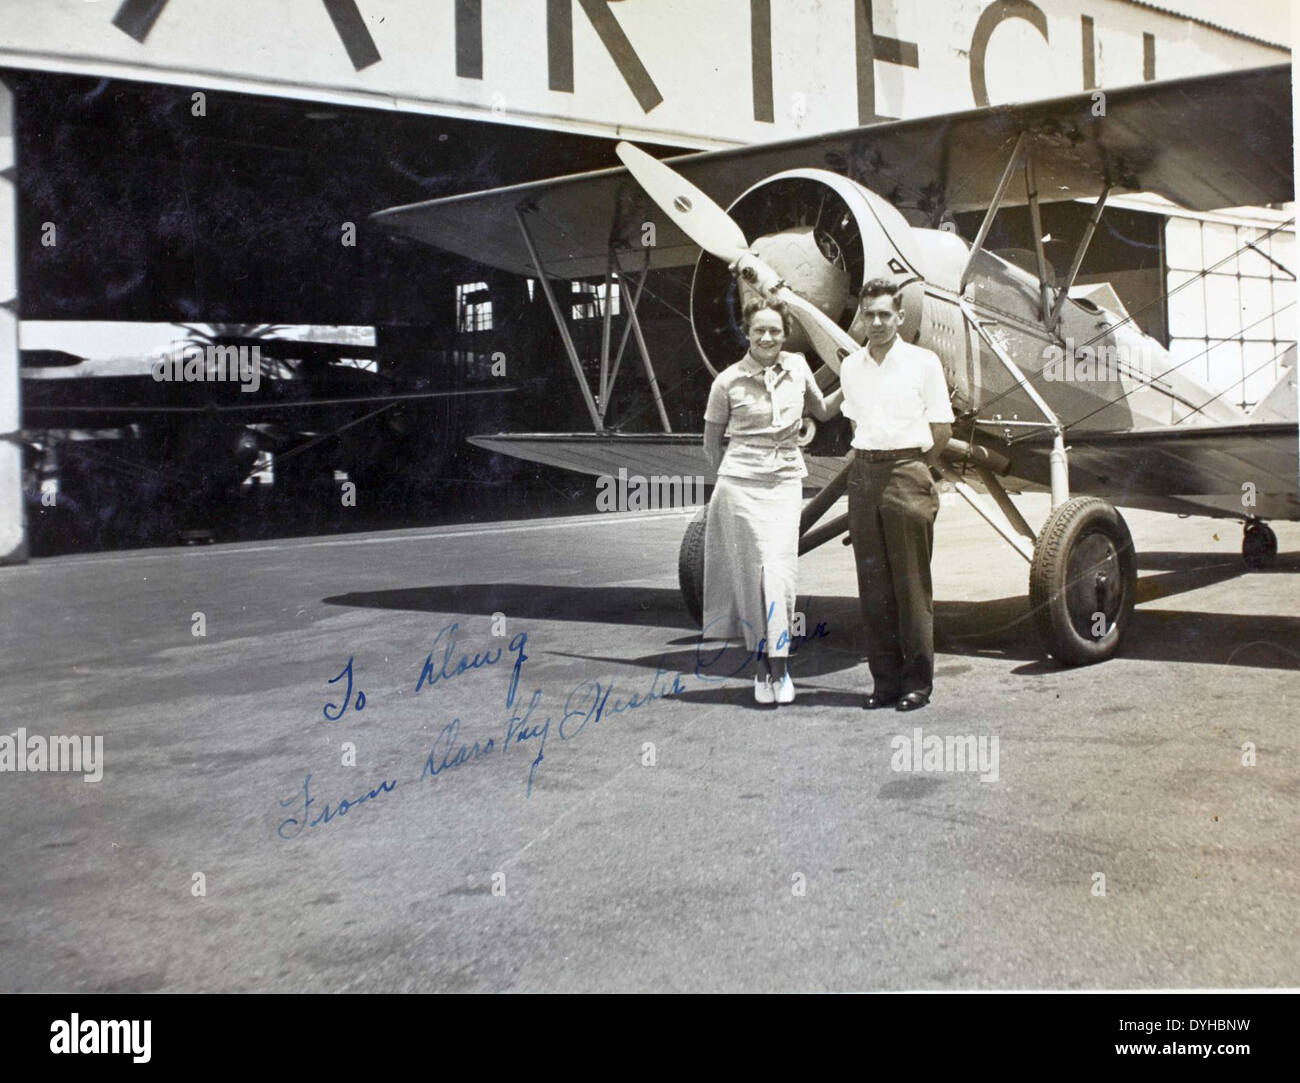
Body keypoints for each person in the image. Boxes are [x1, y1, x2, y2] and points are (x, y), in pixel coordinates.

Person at [702, 300, 842, 705]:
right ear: (746, 331)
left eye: (776, 331)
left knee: (778, 575)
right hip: (740, 487)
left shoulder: (798, 368)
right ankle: (760, 669)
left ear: (786, 333)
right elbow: (710, 446)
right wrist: (728, 482)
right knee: (751, 579)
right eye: (759, 330)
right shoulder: (727, 382)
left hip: (783, 482)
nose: (767, 338)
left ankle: (780, 669)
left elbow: (824, 410)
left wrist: (853, 374)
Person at [840, 279, 953, 712]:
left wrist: (914, 467)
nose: (877, 322)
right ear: (862, 317)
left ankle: (916, 685)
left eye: (885, 314)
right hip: (864, 475)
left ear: (900, 317)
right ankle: (884, 682)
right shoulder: (852, 367)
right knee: (873, 588)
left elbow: (941, 428)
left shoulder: (924, 363)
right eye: (870, 314)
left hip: (908, 471)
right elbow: (856, 424)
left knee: (911, 586)